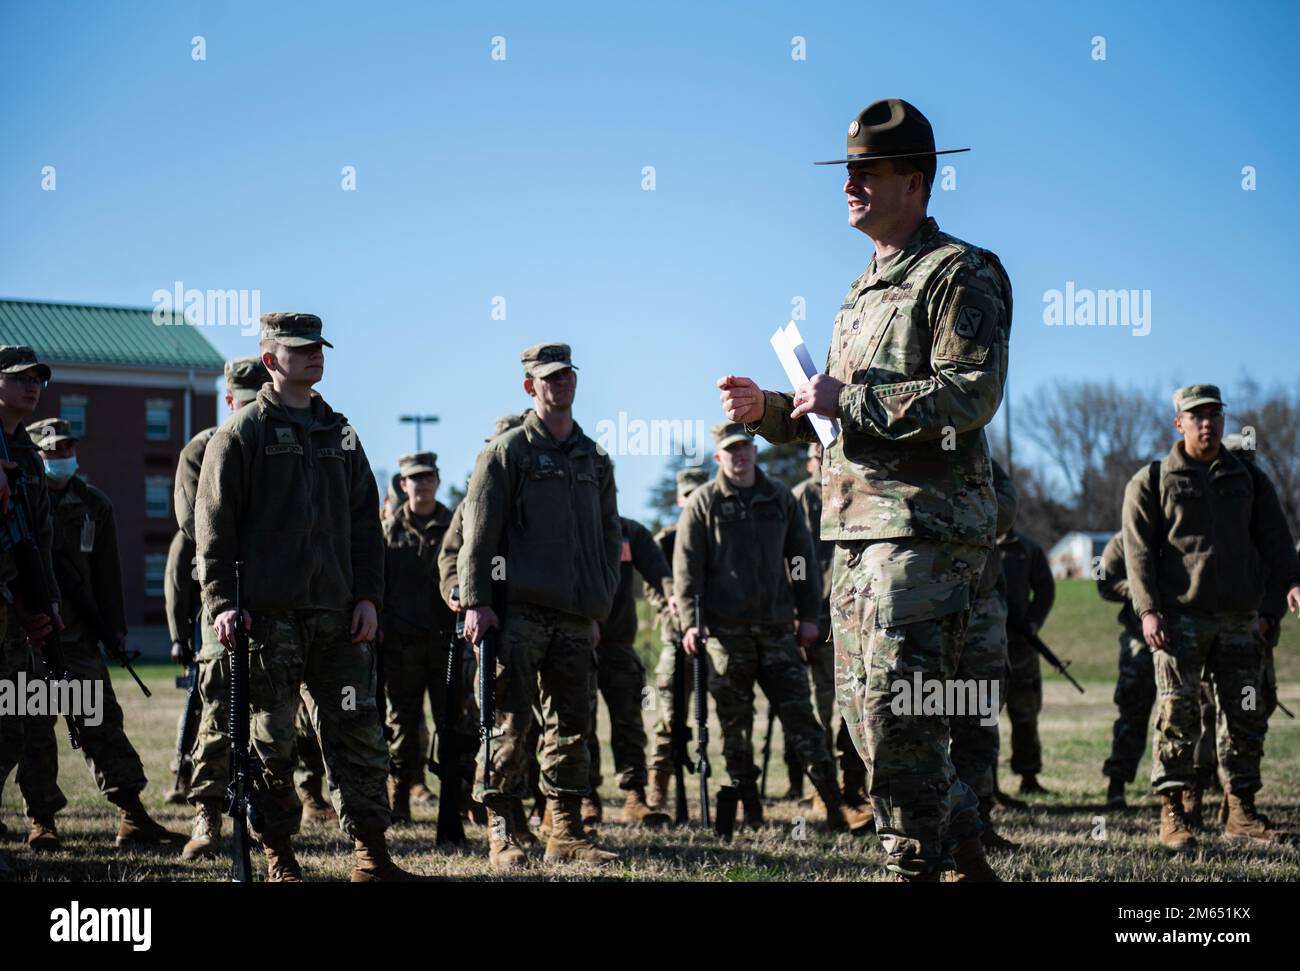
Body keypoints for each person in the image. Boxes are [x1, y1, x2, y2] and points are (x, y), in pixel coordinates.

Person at [718, 98, 1011, 880]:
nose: (849, 184)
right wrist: (778, 411)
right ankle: (967, 851)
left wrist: (845, 397)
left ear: (915, 182)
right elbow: (841, 423)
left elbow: (968, 396)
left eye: (866, 172)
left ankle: (912, 864)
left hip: (923, 535)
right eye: (845, 171)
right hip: (851, 534)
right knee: (861, 717)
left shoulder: (960, 273)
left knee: (899, 717)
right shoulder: (860, 289)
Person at [195, 312, 414, 881]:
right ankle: (280, 858)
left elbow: (367, 524)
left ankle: (371, 856)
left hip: (338, 617)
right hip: (267, 619)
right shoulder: (242, 433)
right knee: (273, 741)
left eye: (319, 346)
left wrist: (368, 597)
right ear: (271, 360)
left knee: (358, 730)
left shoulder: (340, 432)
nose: (316, 354)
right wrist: (222, 603)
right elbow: (213, 529)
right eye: (301, 348)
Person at [456, 344, 621, 870]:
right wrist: (477, 602)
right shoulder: (507, 453)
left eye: (568, 374)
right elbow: (476, 537)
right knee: (508, 725)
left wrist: (597, 603)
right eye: (550, 378)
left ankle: (566, 834)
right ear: (531, 387)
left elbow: (608, 536)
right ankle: (502, 835)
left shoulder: (593, 458)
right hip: (518, 613)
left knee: (572, 727)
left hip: (575, 615)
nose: (561, 383)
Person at [1122, 384, 1300, 851]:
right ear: (1177, 422)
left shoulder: (1248, 478)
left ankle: (1240, 808)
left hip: (1240, 623)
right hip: (1182, 622)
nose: (1208, 423)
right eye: (1196, 416)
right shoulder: (1153, 479)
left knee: (1246, 711)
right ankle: (1174, 811)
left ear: (1223, 420)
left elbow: (1276, 541)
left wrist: (1289, 586)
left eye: (1215, 415)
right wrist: (1148, 611)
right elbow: (1137, 556)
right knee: (1178, 715)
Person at [674, 421, 870, 833]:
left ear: (754, 451)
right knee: (735, 727)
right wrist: (692, 625)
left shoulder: (778, 497)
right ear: (718, 457)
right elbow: (687, 569)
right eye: (731, 450)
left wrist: (809, 618)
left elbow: (801, 561)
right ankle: (750, 808)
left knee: (804, 722)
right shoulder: (704, 504)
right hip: (726, 636)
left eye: (745, 447)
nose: (739, 455)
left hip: (779, 630)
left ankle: (834, 806)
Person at [23, 417, 180, 848]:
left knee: (102, 725)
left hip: (79, 637)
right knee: (36, 730)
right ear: (36, 456)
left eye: (67, 448)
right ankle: (42, 822)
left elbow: (108, 574)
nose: (61, 456)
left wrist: (116, 630)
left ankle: (132, 815)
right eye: (53, 450)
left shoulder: (94, 505)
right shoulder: (22, 502)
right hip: (34, 638)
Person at [0, 346, 67, 853]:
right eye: (19, 377)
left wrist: (47, 601)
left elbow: (40, 538)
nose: (31, 386)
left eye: (36, 379)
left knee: (16, 722)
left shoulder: (25, 453)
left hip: (17, 606)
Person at [380, 449, 462, 821]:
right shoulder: (388, 531)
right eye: (415, 477)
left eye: (429, 476)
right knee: (403, 725)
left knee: (453, 723)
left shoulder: (454, 525)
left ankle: (456, 800)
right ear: (403, 484)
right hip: (401, 645)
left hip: (447, 641)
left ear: (438, 481)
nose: (422, 483)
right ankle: (399, 796)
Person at [585, 515, 673, 828]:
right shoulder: (567, 524)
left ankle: (635, 796)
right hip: (576, 639)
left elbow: (659, 571)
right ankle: (584, 797)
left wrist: (671, 593)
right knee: (578, 722)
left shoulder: (629, 532)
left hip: (619, 643)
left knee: (629, 722)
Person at [949, 458, 1017, 850]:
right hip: (921, 604)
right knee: (918, 718)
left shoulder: (978, 455)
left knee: (979, 719)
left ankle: (975, 825)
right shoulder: (899, 440)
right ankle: (925, 827)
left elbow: (1005, 513)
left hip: (979, 607)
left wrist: (955, 505)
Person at [646, 466, 710, 809]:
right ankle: (658, 787)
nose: (693, 502)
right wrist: (673, 607)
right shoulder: (665, 540)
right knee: (669, 716)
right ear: (679, 499)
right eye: (688, 496)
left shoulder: (715, 537)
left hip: (713, 639)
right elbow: (653, 588)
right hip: (674, 639)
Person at [999, 528, 1055, 795]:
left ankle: (1029, 776)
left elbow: (1045, 589)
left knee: (1026, 714)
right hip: (980, 645)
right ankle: (985, 784)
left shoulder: (1026, 548)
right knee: (979, 717)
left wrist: (1033, 622)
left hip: (1021, 646)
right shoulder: (973, 540)